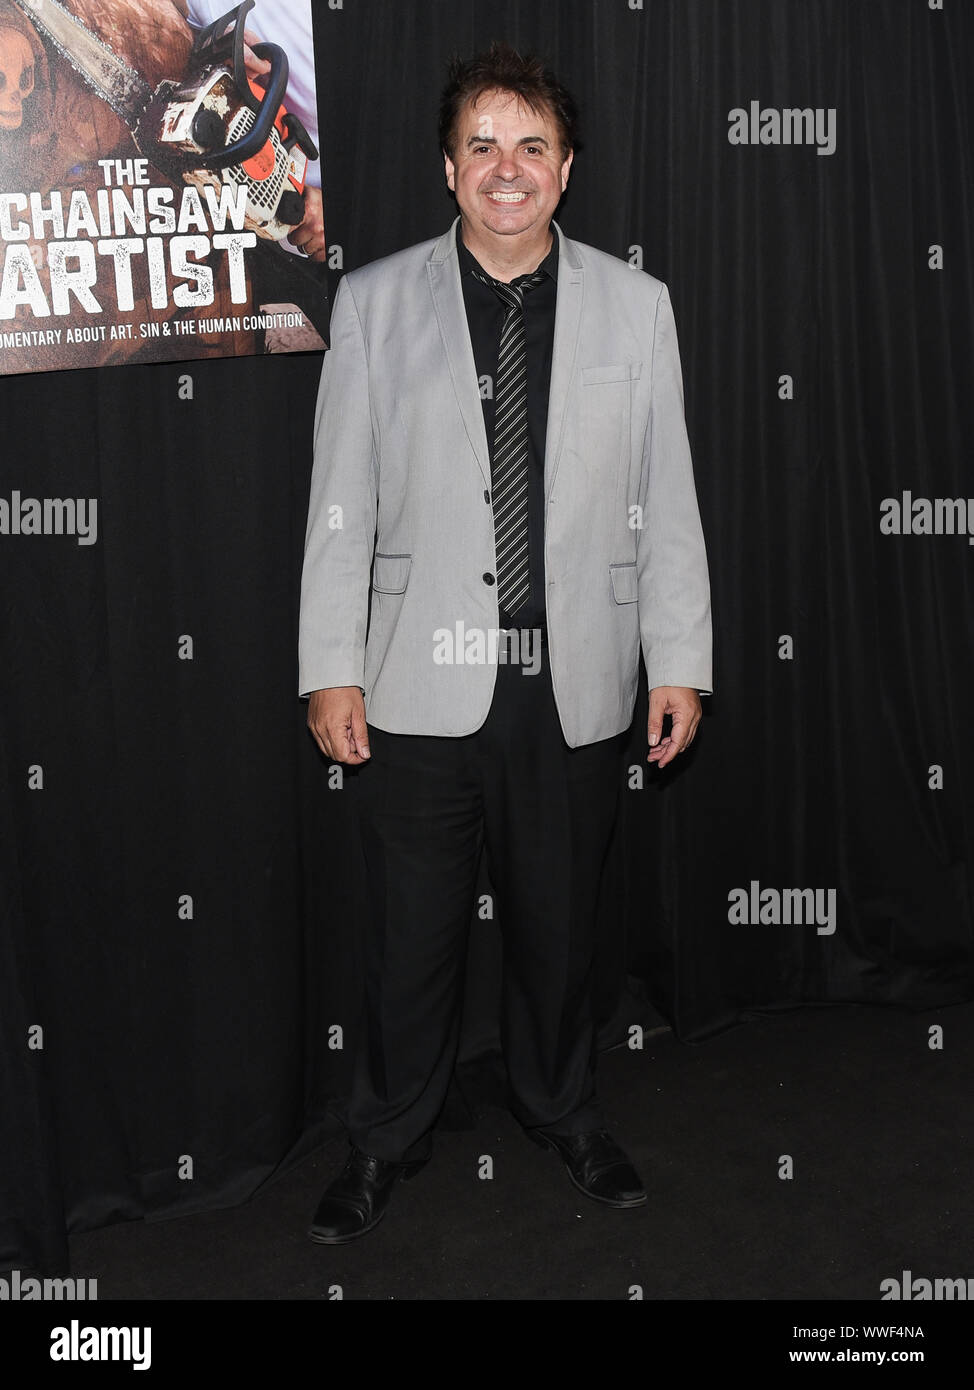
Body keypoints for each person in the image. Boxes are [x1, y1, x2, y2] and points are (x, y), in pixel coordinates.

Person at [298, 41, 713, 1244]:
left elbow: (666, 496)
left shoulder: (639, 309)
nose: (505, 167)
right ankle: (383, 1138)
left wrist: (677, 657)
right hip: (416, 684)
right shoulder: (373, 303)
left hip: (574, 681)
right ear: (446, 167)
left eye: (529, 145)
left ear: (565, 168)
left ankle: (561, 1107)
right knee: (408, 943)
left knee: (558, 931)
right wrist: (331, 662)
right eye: (482, 144)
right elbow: (341, 501)